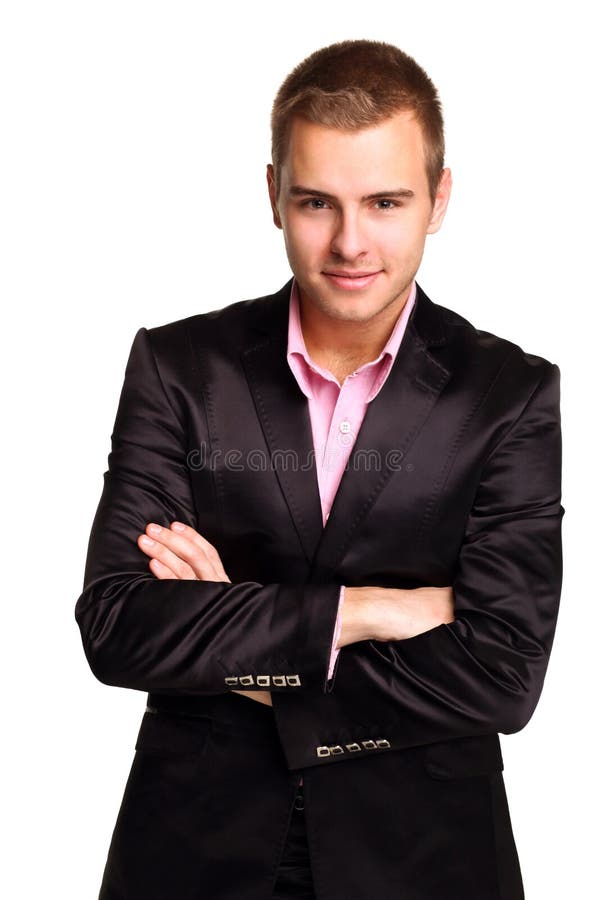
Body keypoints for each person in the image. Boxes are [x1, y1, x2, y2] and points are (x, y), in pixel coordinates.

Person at [75, 39, 563, 900]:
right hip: (193, 853)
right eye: (316, 202)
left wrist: (241, 638)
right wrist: (366, 612)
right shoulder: (180, 368)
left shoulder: (510, 395)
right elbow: (121, 626)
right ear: (273, 196)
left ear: (438, 200)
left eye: (384, 201)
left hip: (428, 861)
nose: (349, 241)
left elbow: (504, 673)